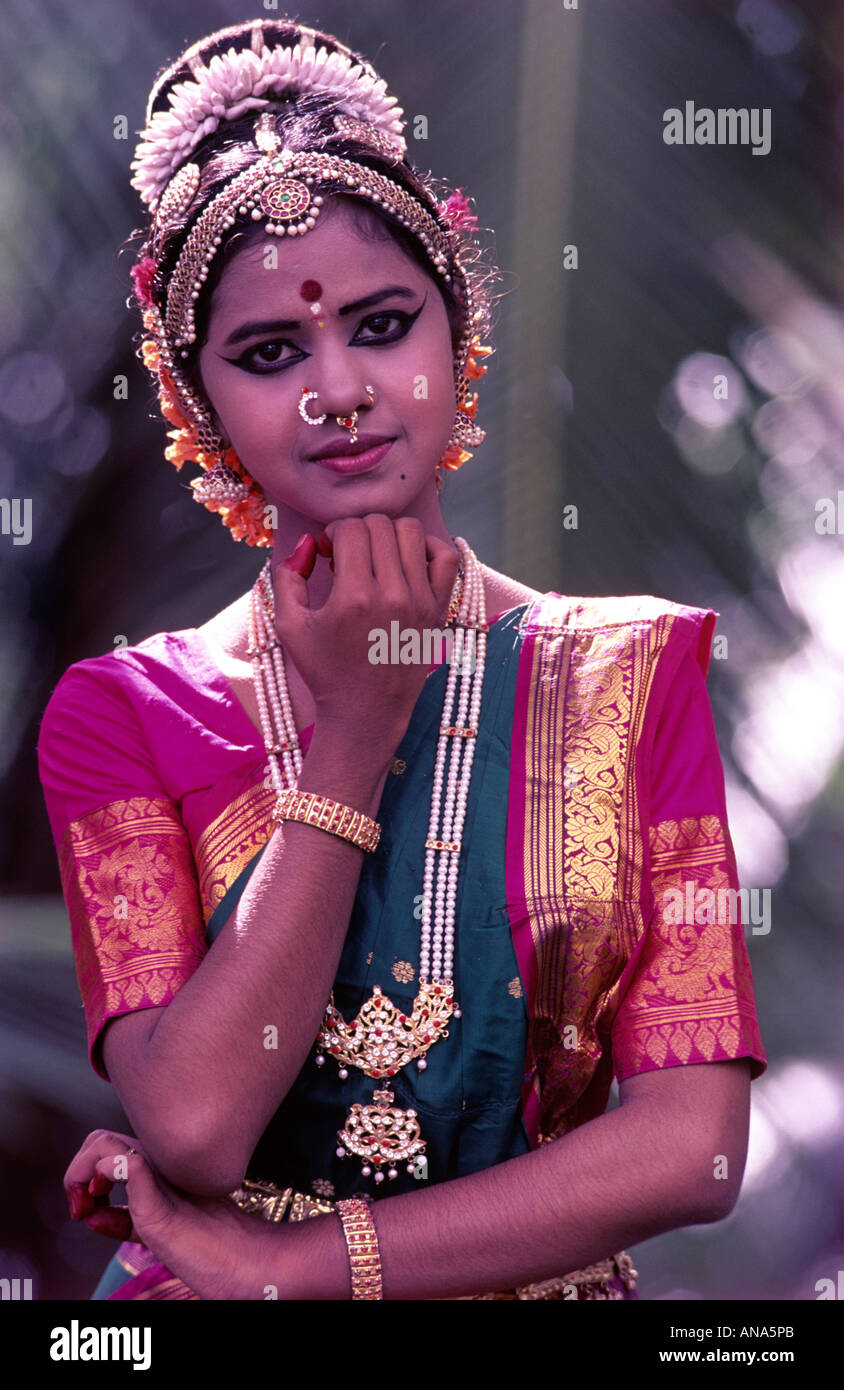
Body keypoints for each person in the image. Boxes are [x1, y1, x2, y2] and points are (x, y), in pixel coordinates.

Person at [37, 16, 766, 1301]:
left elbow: (691, 1151)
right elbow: (196, 1126)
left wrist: (300, 1266)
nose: (340, 388)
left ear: (457, 336)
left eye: (382, 325)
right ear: (195, 401)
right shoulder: (125, 713)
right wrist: (357, 731)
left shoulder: (631, 673)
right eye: (270, 353)